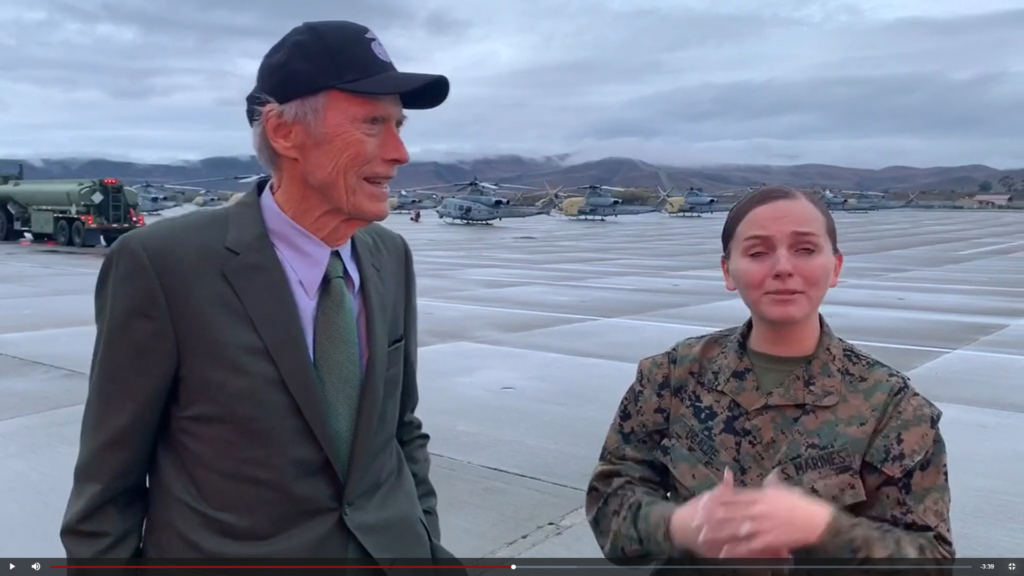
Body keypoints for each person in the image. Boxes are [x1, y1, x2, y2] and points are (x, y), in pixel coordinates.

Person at [61, 20, 461, 570]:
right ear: (284, 132)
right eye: (372, 124)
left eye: (398, 124)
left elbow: (400, 429)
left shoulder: (390, 256)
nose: (400, 152)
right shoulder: (161, 265)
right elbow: (107, 488)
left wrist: (423, 541)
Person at [585, 186, 954, 568]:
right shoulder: (670, 376)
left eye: (805, 249)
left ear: (836, 268)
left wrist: (824, 529)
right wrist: (677, 525)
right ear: (728, 271)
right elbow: (609, 500)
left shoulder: (891, 407)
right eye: (758, 252)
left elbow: (932, 559)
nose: (782, 267)